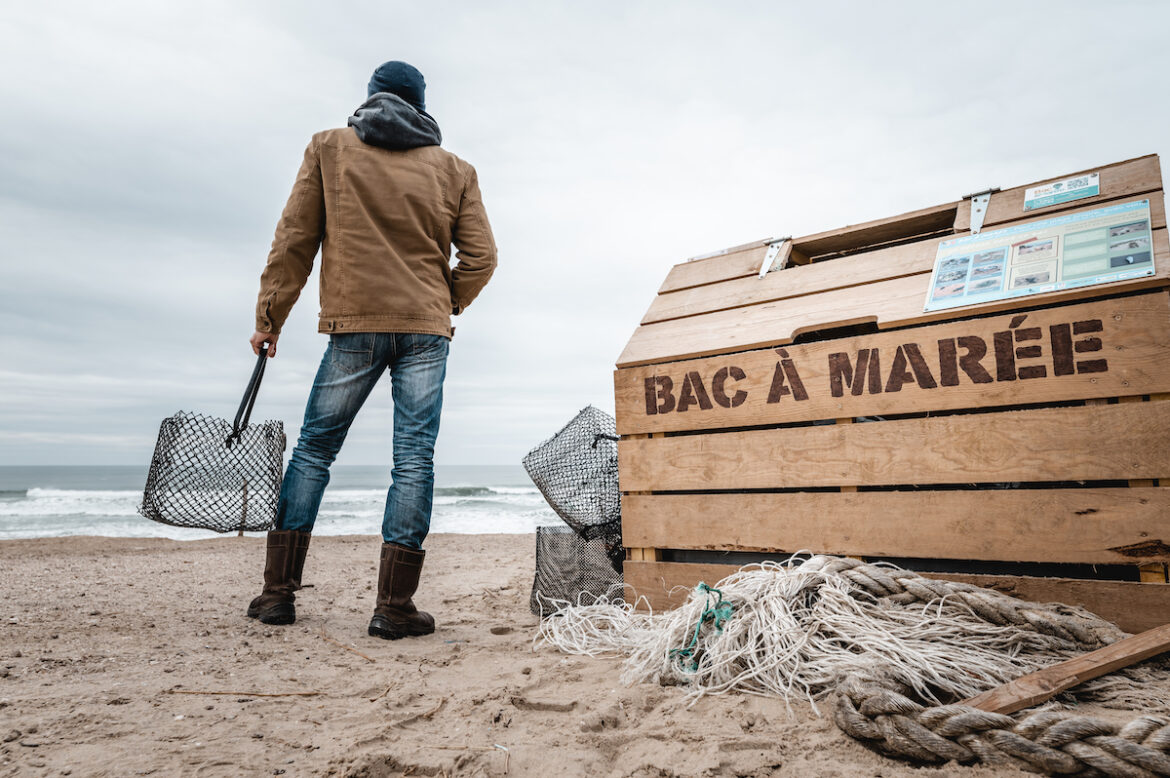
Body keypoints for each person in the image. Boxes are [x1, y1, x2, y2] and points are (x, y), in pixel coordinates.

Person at [244, 61, 497, 639]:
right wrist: (446, 303)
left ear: (371, 98)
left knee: (314, 452)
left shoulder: (329, 148)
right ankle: (393, 607)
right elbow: (482, 258)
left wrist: (269, 319)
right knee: (414, 459)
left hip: (353, 324)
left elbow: (295, 240)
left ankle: (278, 595)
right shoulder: (455, 170)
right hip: (425, 331)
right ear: (421, 104)